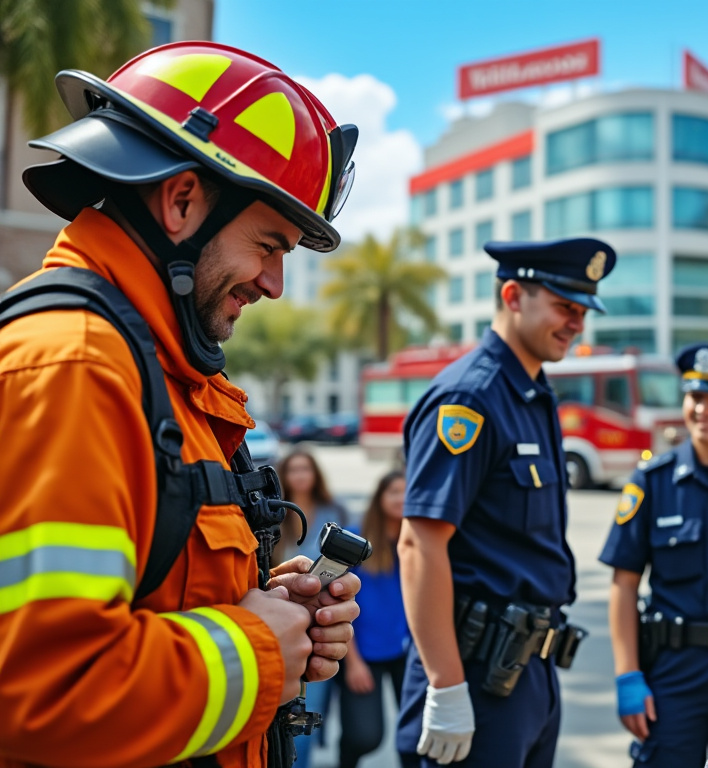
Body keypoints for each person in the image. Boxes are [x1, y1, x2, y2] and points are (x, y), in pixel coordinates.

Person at [0, 41, 362, 767]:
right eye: (269, 244)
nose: (275, 284)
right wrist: (260, 650)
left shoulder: (159, 372)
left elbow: (149, 603)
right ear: (183, 199)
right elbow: (45, 692)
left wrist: (268, 604)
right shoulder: (75, 365)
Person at [396, 237, 616, 767]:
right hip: (473, 671)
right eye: (565, 307)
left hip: (527, 672)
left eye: (583, 311)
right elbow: (419, 543)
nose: (577, 323)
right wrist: (447, 688)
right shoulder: (470, 397)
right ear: (514, 295)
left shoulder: (531, 393)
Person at [599, 343, 708, 766]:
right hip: (672, 672)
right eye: (696, 398)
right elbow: (624, 584)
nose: (704, 410)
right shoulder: (651, 481)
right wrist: (628, 676)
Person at [278, 449, 351, 768]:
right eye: (293, 469)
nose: (300, 476)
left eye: (306, 468)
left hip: (322, 625)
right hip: (281, 622)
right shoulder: (274, 515)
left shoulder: (334, 512)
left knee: (305, 719)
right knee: (283, 720)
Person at [339, 470, 416, 768]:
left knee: (416, 735)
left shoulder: (420, 541)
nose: (401, 498)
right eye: (394, 491)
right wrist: (353, 662)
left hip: (406, 652)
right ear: (380, 497)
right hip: (363, 651)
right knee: (364, 736)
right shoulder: (357, 539)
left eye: (407, 491)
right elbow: (340, 599)